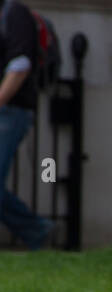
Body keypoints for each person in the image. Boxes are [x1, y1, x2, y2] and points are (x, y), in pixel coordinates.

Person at [0, 0, 53, 250]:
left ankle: (38, 230)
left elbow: (19, 67)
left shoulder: (14, 14)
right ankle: (38, 230)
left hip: (11, 111)